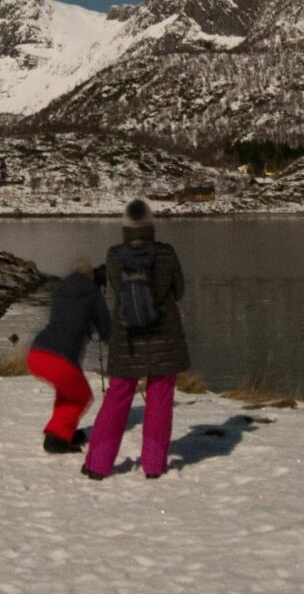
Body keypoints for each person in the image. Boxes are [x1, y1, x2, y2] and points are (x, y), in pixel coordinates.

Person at [82, 199, 189, 481]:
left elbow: (118, 289)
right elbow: (178, 291)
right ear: (151, 226)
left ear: (126, 228)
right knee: (160, 397)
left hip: (127, 335)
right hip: (164, 334)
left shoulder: (114, 255)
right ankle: (154, 466)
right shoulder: (167, 253)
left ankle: (98, 464)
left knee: (118, 396)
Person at [24, 258, 109, 454]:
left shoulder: (60, 290)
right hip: (59, 359)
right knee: (81, 396)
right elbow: (107, 331)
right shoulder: (92, 293)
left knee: (67, 392)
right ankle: (56, 439)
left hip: (38, 352)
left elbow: (70, 317)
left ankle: (64, 431)